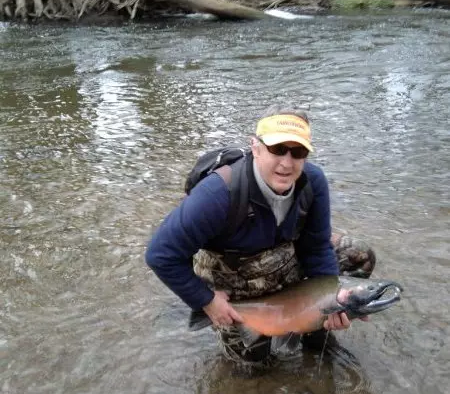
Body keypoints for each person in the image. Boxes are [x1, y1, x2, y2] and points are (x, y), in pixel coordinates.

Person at [146, 104, 375, 365]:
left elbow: (316, 248)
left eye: (297, 152)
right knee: (255, 367)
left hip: (282, 258)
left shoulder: (314, 182)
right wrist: (206, 300)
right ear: (255, 147)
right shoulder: (216, 195)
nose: (287, 163)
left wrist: (330, 305)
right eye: (277, 149)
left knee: (359, 255)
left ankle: (315, 336)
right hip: (233, 277)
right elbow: (160, 254)